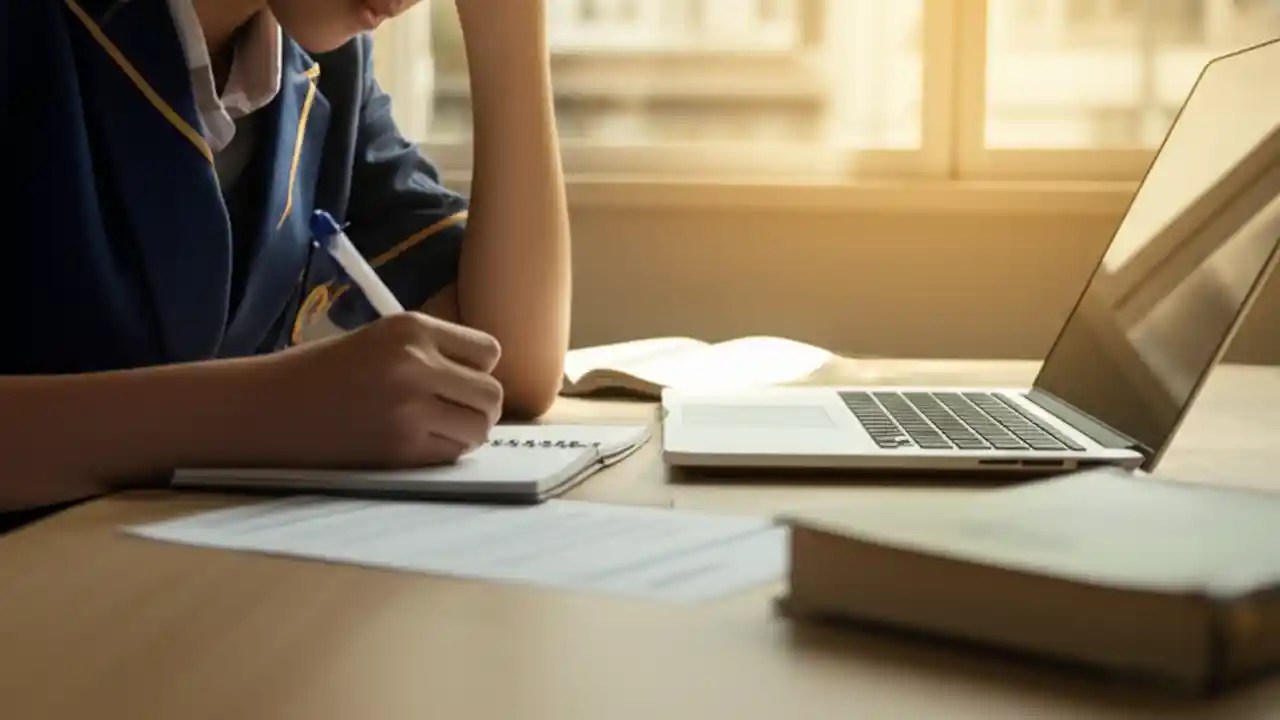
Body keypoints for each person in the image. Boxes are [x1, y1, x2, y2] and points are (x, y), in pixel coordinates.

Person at [0, 0, 571, 523]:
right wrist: (262, 411)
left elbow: (507, 365)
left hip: (174, 591)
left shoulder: (317, 64)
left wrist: (511, 26)